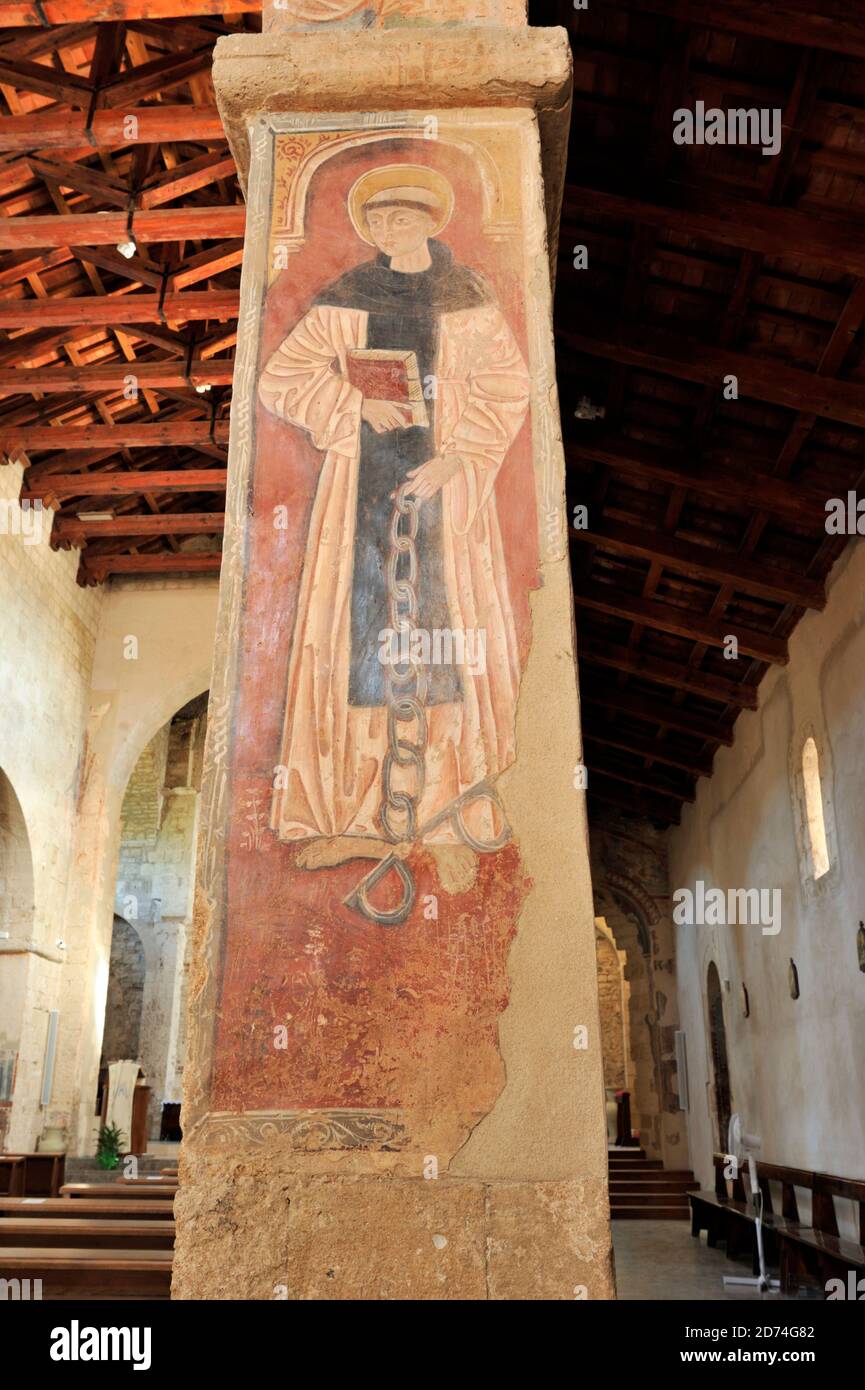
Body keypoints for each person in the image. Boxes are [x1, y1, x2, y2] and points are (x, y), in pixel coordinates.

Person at [259, 163, 530, 893]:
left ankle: (444, 803)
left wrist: (459, 457)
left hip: (445, 499)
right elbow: (279, 380)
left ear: (430, 222)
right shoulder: (347, 298)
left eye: (403, 218)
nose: (390, 230)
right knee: (352, 640)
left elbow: (508, 385)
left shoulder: (466, 298)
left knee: (444, 632)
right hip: (359, 498)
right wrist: (351, 405)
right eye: (378, 221)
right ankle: (348, 811)